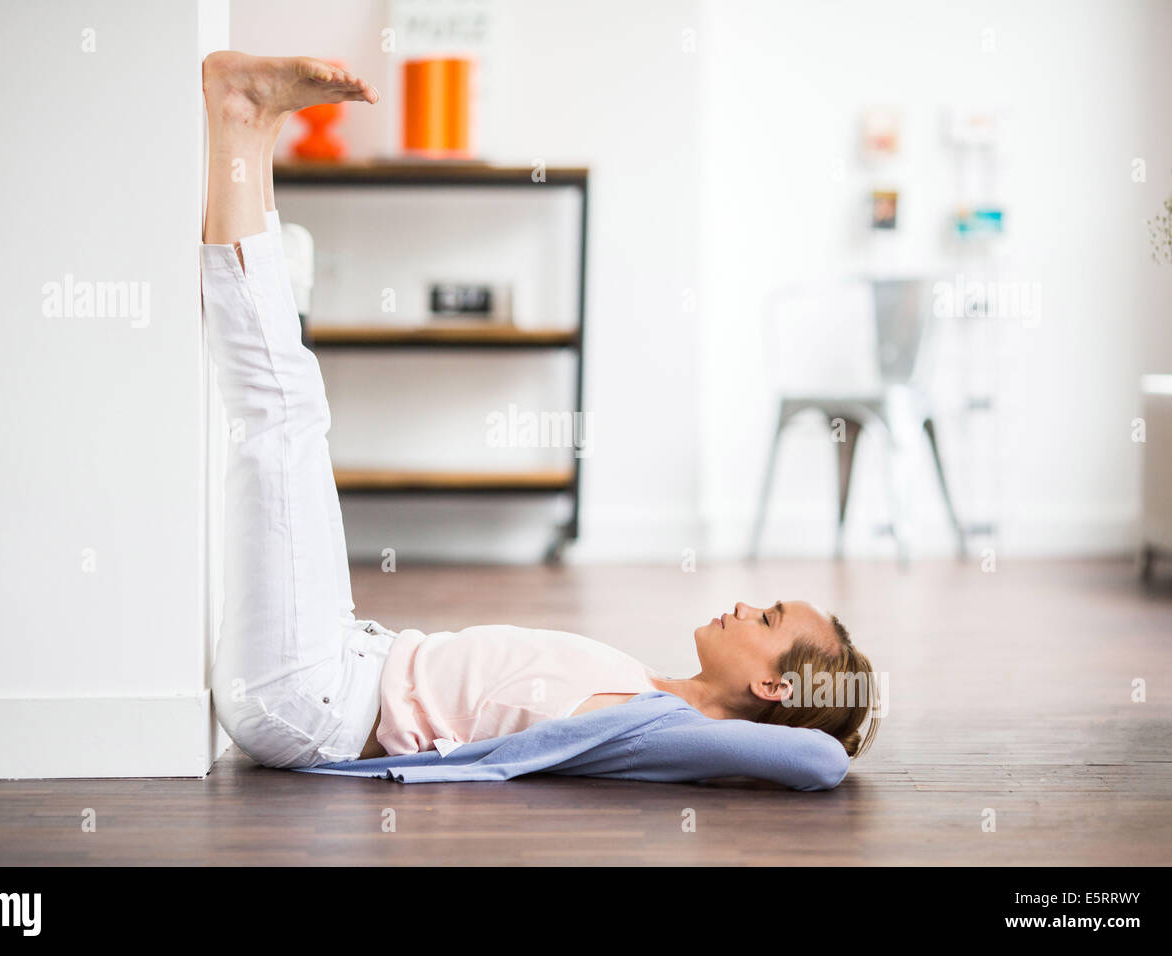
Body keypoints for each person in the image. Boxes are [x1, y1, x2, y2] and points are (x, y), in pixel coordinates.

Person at [201, 51, 878, 783]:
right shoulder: (649, 692)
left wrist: (835, 705)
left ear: (774, 687)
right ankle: (257, 131)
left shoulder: (653, 731)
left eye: (770, 619)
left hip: (315, 700)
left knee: (284, 411)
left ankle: (239, 120)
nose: (747, 604)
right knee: (293, 414)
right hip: (346, 656)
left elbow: (813, 761)